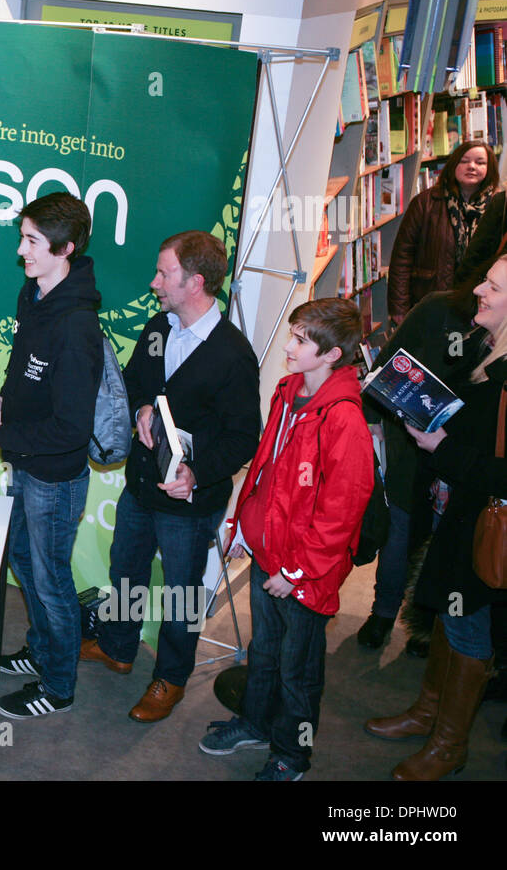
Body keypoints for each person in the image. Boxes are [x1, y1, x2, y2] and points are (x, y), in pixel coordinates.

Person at [83, 230, 261, 723]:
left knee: (181, 592)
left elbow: (244, 436)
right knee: (126, 569)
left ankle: (171, 678)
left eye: (164, 274)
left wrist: (197, 475)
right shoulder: (158, 327)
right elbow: (138, 378)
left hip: (188, 502)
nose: (153, 282)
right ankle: (118, 646)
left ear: (195, 282)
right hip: (140, 485)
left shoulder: (233, 355)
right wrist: (141, 406)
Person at [200, 299, 373, 781]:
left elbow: (341, 514)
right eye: (292, 334)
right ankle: (256, 722)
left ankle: (293, 757)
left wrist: (294, 572)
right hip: (267, 554)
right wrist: (244, 530)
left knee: (298, 672)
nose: (289, 346)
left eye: (301, 340)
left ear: (332, 355)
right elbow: (266, 471)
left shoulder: (344, 421)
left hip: (302, 573)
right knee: (265, 651)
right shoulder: (287, 390)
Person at [364, 256, 507, 780]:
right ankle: (428, 712)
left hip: (485, 523)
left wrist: (443, 447)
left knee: (468, 625)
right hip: (458, 508)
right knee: (450, 614)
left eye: (492, 286)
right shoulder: (483, 346)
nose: (478, 291)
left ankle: (450, 746)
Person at [0, 191, 102, 719]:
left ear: (64, 249)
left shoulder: (76, 328)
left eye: (32, 242)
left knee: (51, 579)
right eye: (22, 237)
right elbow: (21, 366)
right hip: (25, 462)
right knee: (23, 559)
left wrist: (5, 437)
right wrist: (0, 405)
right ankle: (43, 652)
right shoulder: (33, 295)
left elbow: (71, 428)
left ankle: (59, 687)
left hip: (54, 478)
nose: (21, 251)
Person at [356, 282, 477, 651]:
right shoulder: (437, 308)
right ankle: (384, 612)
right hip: (413, 444)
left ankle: (426, 623)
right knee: (401, 530)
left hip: (466, 455)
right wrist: (372, 415)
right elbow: (387, 365)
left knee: (448, 540)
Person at [388, 140, 499, 324]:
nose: (471, 166)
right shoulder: (426, 202)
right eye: (464, 161)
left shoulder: (497, 206)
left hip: (480, 302)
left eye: (480, 162)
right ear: (453, 164)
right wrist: (399, 308)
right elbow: (402, 257)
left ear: (490, 168)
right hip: (430, 300)